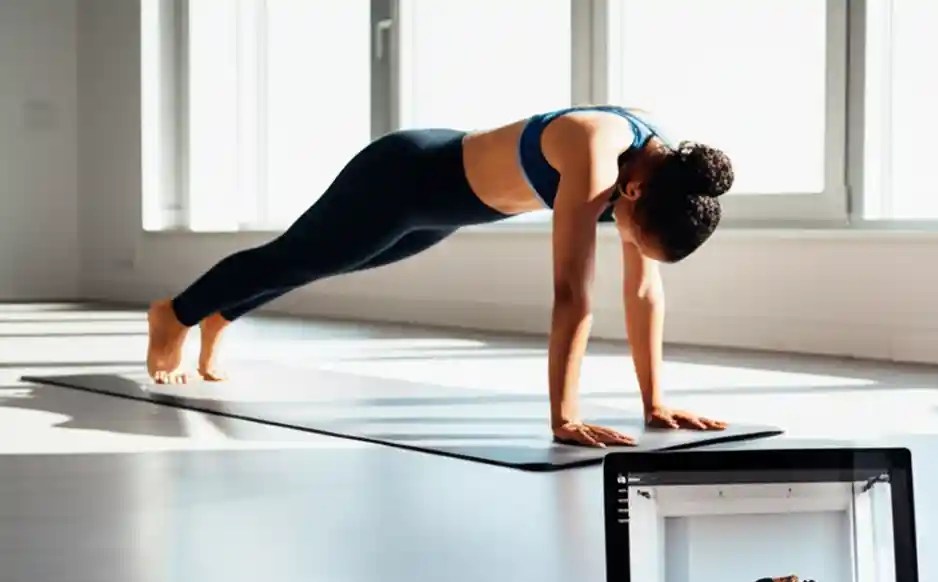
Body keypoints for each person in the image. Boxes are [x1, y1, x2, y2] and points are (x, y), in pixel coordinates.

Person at [143, 105, 735, 448]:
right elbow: (572, 296)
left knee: (328, 259)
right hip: (404, 178)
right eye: (630, 233)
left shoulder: (657, 174)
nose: (623, 238)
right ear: (631, 193)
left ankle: (221, 314)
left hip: (444, 212)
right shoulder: (596, 149)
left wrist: (656, 403)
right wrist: (564, 418)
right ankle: (177, 313)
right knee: (301, 254)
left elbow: (641, 289)